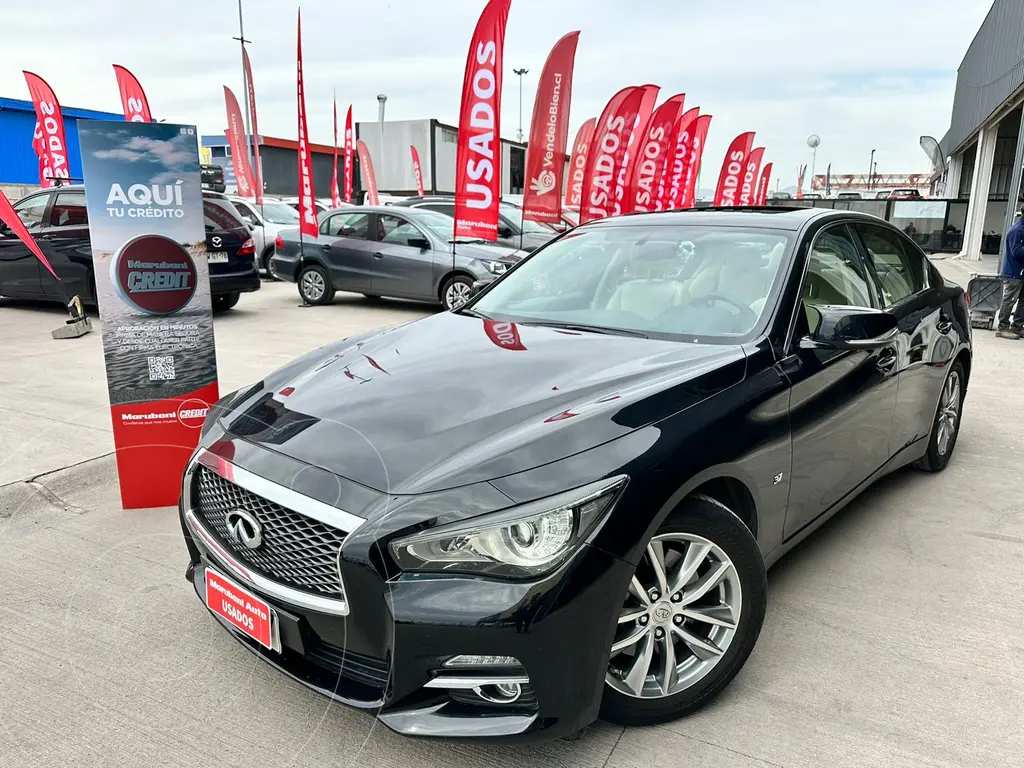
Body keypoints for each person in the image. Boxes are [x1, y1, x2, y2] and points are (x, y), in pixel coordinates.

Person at [996, 206, 1024, 339]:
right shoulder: (1017, 230)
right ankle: (1002, 328)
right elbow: (1017, 252)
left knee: (1023, 301)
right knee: (1010, 300)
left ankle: (1017, 327)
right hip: (1014, 273)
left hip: (1022, 272)